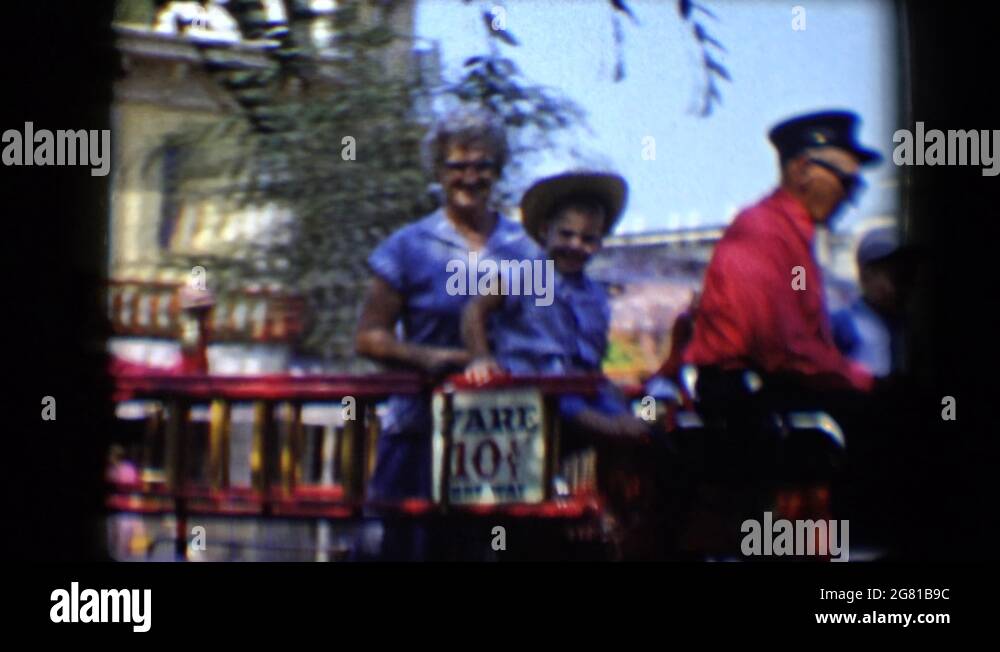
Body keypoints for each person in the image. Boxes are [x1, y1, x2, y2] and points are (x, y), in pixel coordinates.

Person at [354, 108, 535, 559]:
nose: (470, 177)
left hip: (502, 435)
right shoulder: (407, 247)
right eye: (458, 165)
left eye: (483, 166)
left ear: (498, 171)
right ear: (438, 171)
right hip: (419, 431)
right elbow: (369, 336)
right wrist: (428, 358)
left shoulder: (526, 248)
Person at [682, 109, 883, 396]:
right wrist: (869, 384)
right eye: (846, 182)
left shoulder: (791, 235)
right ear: (802, 170)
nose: (850, 199)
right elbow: (786, 350)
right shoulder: (761, 233)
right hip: (750, 403)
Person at [461, 170, 651, 441]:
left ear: (599, 243)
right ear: (544, 232)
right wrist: (481, 357)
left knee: (638, 412)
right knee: (570, 407)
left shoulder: (595, 295)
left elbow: (591, 358)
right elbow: (475, 311)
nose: (575, 246)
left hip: (583, 386)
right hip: (530, 390)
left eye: (588, 239)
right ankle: (611, 429)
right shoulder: (523, 276)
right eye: (566, 235)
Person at [831, 226, 913, 377]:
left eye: (907, 274)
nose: (902, 284)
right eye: (893, 274)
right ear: (867, 276)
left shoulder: (906, 324)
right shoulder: (845, 324)